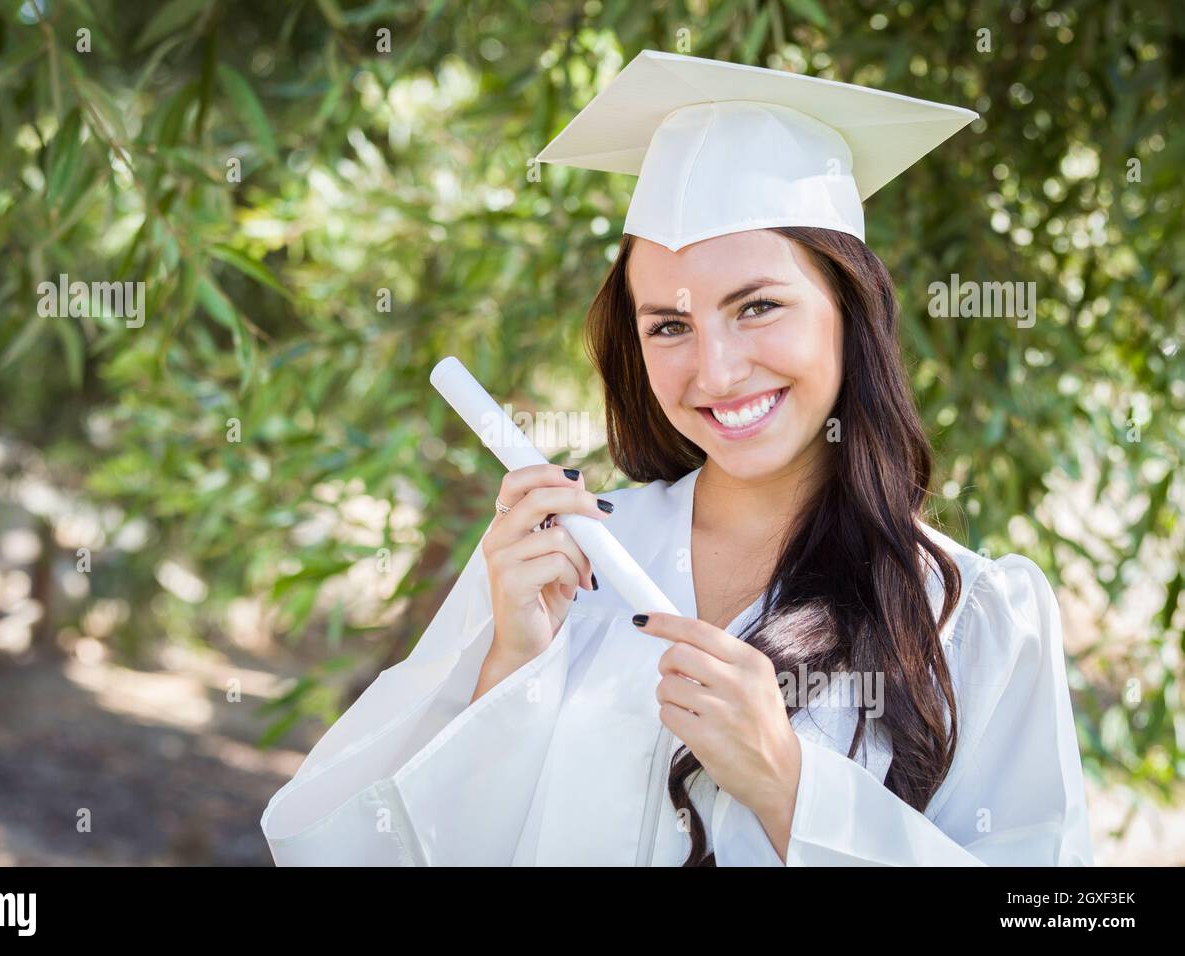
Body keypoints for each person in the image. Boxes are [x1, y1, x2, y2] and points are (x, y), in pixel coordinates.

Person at [260, 50, 1093, 866]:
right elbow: (368, 845)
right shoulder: (568, 559)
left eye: (758, 306)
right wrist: (511, 666)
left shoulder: (975, 617)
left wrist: (789, 786)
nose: (716, 371)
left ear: (850, 309)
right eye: (668, 325)